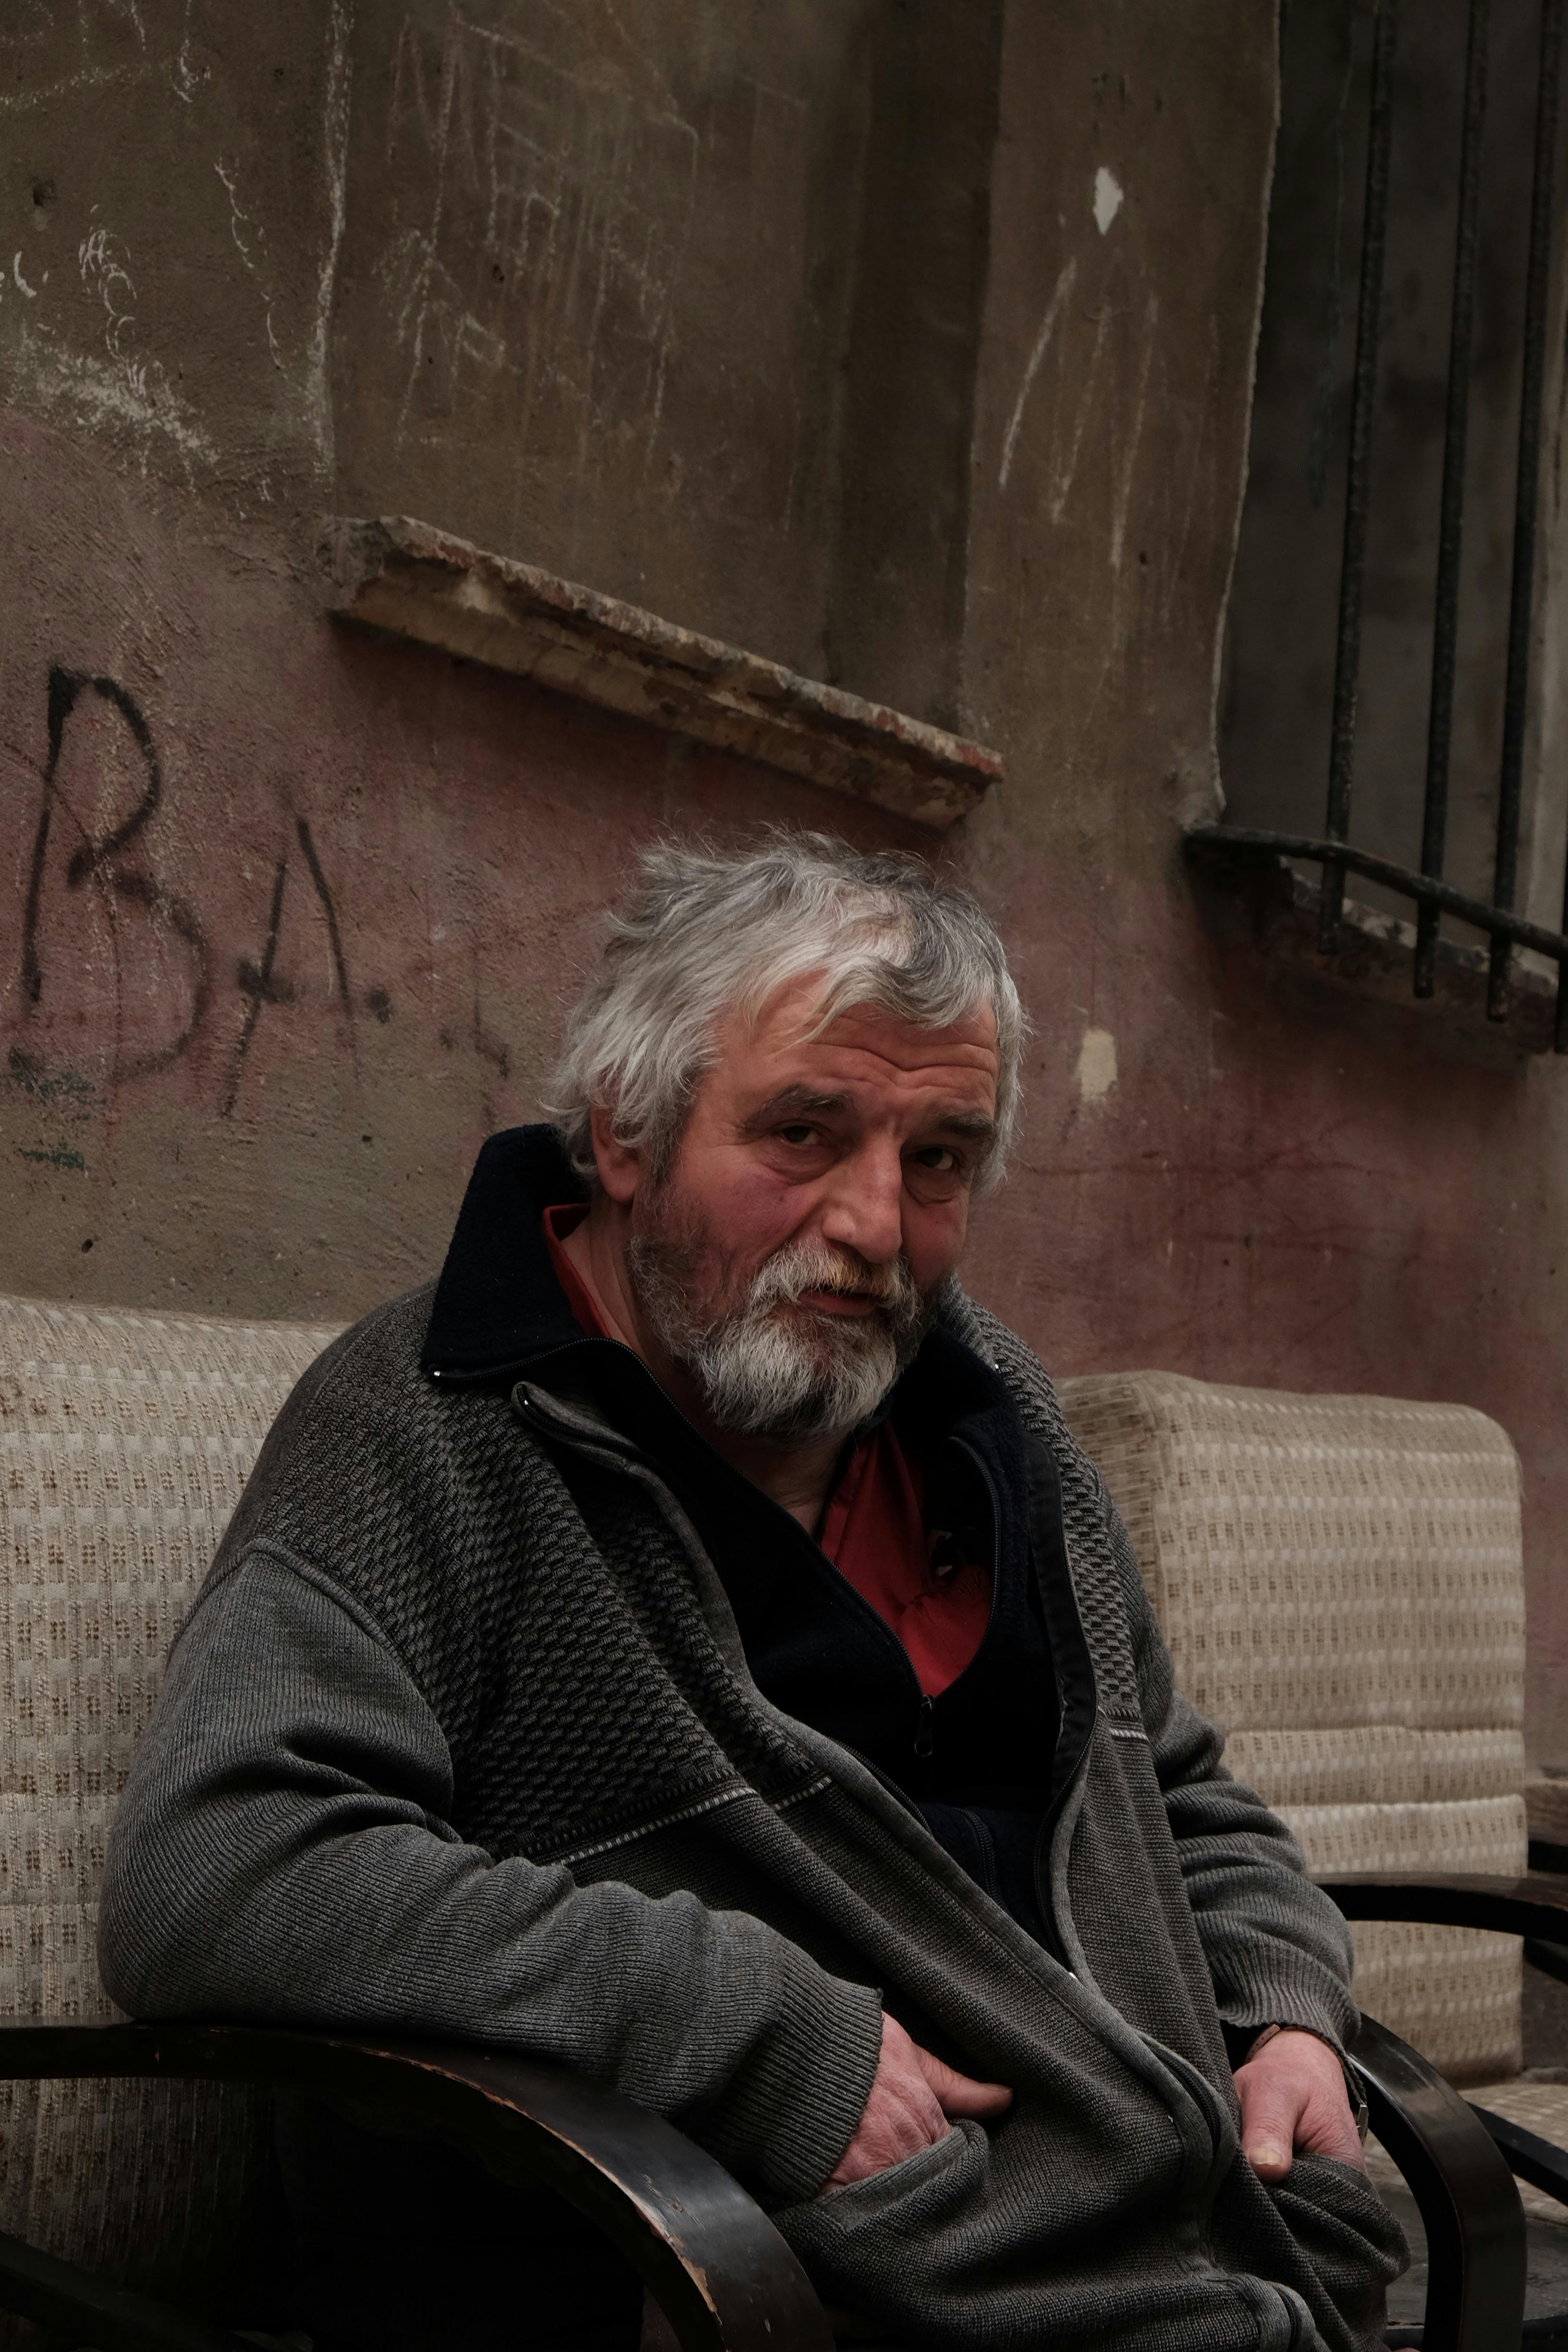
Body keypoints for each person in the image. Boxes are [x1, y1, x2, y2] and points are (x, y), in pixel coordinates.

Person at [100, 833, 1404, 2352]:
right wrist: (759, 2036)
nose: (872, 1228)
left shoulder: (995, 1413)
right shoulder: (438, 1420)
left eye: (937, 1161)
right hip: (742, 2286)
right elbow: (222, 1866)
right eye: (802, 1134)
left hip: (1192, 2240)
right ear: (629, 1134)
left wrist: (1284, 2004)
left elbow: (1169, 1787)